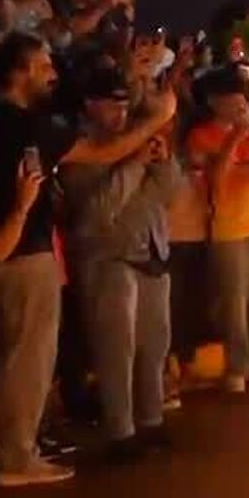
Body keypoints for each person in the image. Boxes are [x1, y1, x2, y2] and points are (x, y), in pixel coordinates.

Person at [0, 33, 177, 485]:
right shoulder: (33, 125)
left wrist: (150, 157)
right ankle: (17, 454)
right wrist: (156, 123)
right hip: (30, 252)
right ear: (18, 72)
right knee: (29, 360)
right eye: (42, 66)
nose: (51, 74)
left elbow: (163, 194)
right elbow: (99, 192)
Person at [60, 67, 185, 460]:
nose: (120, 112)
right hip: (107, 259)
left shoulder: (137, 140)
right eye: (111, 104)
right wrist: (132, 163)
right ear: (89, 106)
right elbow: (98, 213)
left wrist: (163, 162)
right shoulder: (82, 151)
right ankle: (121, 431)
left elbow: (169, 194)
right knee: (117, 351)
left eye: (123, 104)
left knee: (154, 346)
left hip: (150, 253)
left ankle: (150, 420)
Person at [185, 68, 249, 394]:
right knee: (233, 304)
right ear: (215, 101)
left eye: (243, 95)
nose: (242, 102)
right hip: (228, 229)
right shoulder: (201, 135)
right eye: (235, 96)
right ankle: (237, 368)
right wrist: (236, 140)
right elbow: (214, 178)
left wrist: (231, 165)